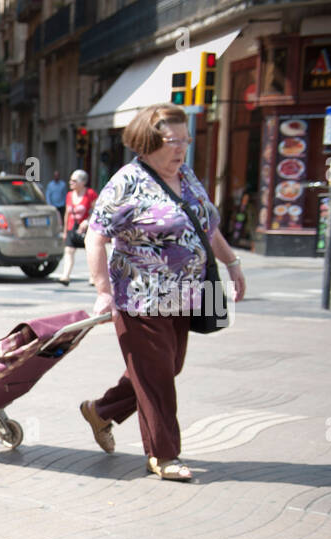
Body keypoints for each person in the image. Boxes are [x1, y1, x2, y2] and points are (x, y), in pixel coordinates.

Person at [80, 103, 246, 482]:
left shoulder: (186, 176)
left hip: (185, 294)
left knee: (167, 368)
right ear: (147, 142)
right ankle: (163, 455)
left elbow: (208, 226)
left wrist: (233, 263)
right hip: (139, 296)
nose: (181, 150)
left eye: (185, 141)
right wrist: (102, 289)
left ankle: (101, 410)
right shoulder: (128, 182)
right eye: (172, 142)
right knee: (156, 378)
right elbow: (95, 235)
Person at [57, 169, 96, 286]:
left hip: (86, 228)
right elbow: (67, 214)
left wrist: (88, 221)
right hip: (71, 227)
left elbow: (97, 211)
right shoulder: (69, 195)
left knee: (90, 252)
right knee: (69, 251)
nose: (71, 182)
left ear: (83, 182)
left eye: (74, 180)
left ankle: (93, 277)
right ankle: (66, 276)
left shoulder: (90, 194)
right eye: (70, 180)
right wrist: (64, 231)